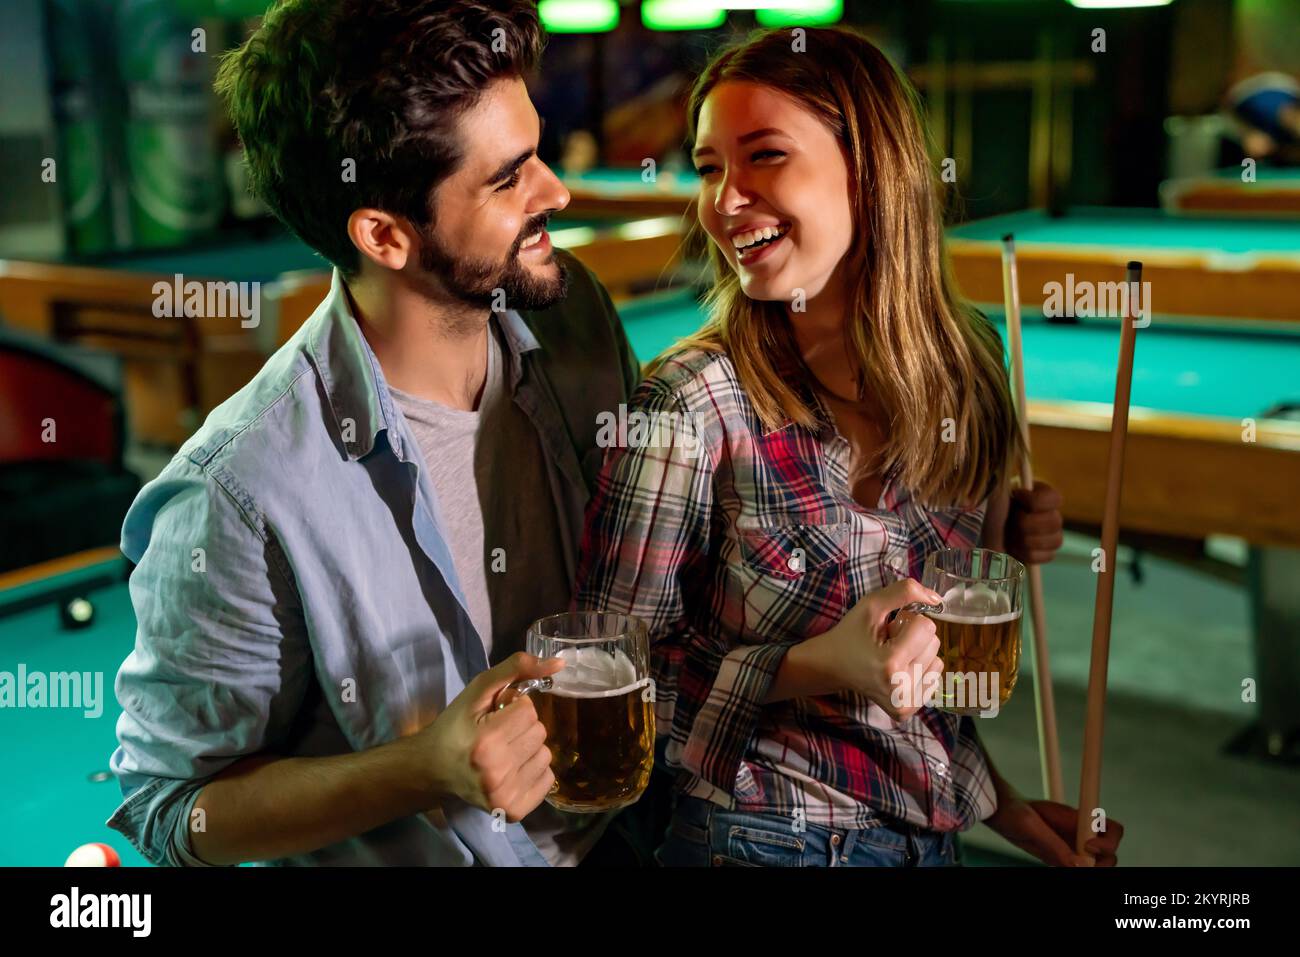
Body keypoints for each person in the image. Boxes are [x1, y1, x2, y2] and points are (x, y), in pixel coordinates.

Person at [107, 0, 642, 867]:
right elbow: (171, 811)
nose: (556, 192)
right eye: (508, 179)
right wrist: (420, 768)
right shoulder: (238, 490)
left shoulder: (576, 317)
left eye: (537, 152)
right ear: (386, 235)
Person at [575, 27, 1124, 867]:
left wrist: (1010, 812)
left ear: (871, 169)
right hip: (753, 840)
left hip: (930, 843)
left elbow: (935, 693)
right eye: (710, 167)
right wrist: (812, 665)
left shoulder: (973, 368)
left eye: (764, 156)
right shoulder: (690, 399)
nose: (723, 200)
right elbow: (613, 695)